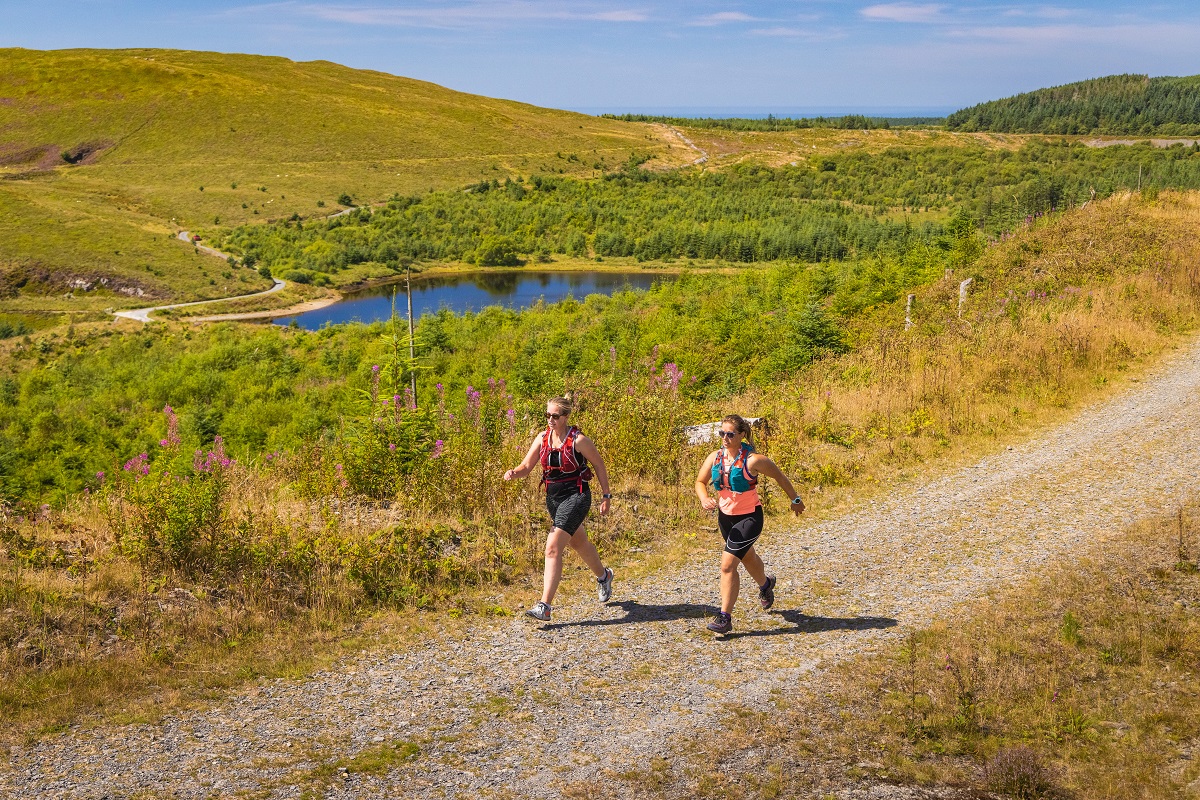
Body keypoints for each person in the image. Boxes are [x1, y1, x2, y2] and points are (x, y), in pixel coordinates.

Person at [503, 395, 614, 621]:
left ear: (565, 417)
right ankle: (604, 576)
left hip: (577, 495)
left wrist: (606, 496)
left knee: (552, 547)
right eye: (547, 415)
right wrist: (514, 472)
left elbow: (599, 464)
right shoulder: (542, 437)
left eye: (555, 416)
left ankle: (544, 606)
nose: (550, 420)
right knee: (579, 542)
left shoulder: (579, 440)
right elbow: (526, 466)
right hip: (553, 499)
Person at [694, 414, 804, 634]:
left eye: (730, 434)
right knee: (747, 557)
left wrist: (795, 500)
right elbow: (700, 482)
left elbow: (780, 477)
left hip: (750, 518)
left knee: (727, 565)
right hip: (726, 518)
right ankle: (765, 585)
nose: (725, 438)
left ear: (742, 434)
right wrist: (704, 498)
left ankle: (724, 617)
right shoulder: (715, 457)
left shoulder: (753, 460)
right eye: (721, 433)